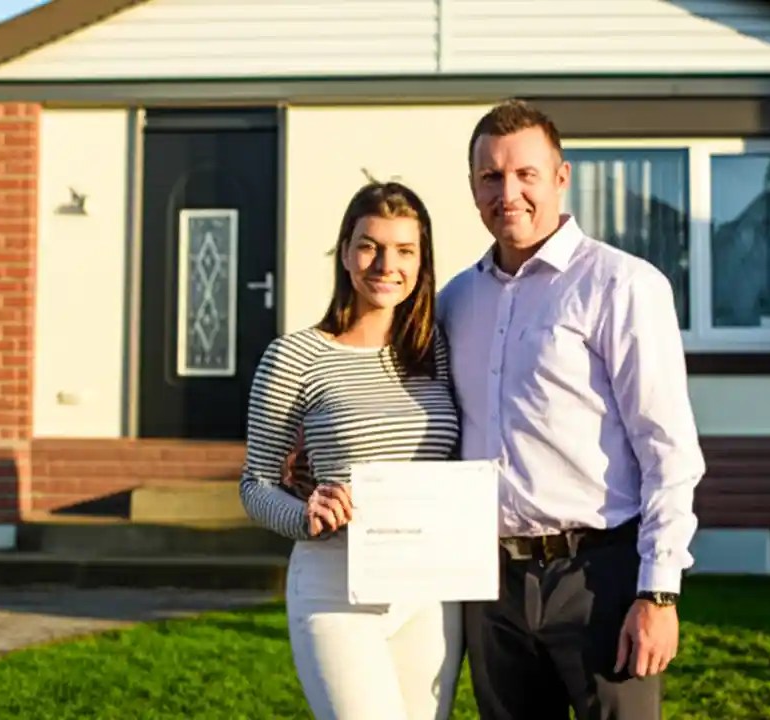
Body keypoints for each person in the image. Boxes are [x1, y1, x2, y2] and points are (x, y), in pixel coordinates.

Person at [437, 99, 707, 719]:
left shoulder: (622, 286)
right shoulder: (454, 301)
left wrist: (659, 593)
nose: (509, 192)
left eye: (526, 174)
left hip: (599, 578)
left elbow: (669, 451)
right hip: (491, 586)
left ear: (561, 177)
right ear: (473, 187)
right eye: (491, 177)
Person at [238, 181, 462, 720]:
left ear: (422, 260)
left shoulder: (440, 350)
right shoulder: (295, 356)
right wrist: (304, 512)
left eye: (405, 250)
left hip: (429, 589)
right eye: (370, 246)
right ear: (344, 252)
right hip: (335, 584)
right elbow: (255, 485)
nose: (387, 264)